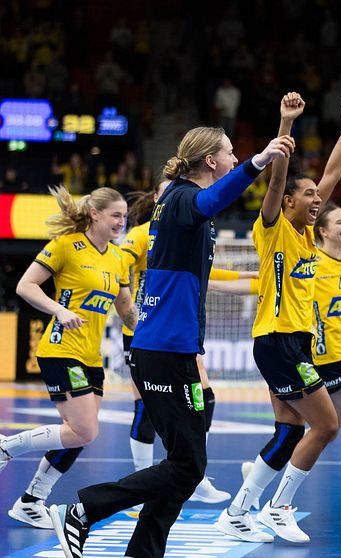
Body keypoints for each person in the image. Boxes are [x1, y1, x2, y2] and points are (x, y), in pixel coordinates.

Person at [45, 123, 294, 558]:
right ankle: (82, 509)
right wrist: (260, 162)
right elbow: (215, 197)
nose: (235, 159)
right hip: (163, 352)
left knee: (185, 467)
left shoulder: (183, 206)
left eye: (240, 155)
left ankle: (142, 552)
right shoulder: (182, 198)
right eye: (230, 153)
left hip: (175, 350)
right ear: (210, 160)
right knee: (188, 466)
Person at [214, 92, 341, 544]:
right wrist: (285, 124)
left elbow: (332, 174)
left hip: (292, 342)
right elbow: (275, 182)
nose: (317, 199)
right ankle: (278, 508)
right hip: (277, 339)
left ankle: (236, 512)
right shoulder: (273, 227)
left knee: (291, 428)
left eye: (318, 195)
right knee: (328, 425)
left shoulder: (309, 234)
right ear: (289, 202)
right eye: (308, 194)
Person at [1, 187, 136, 529]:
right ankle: (7, 448)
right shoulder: (66, 246)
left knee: (80, 434)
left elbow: (127, 310)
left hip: (91, 358)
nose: (122, 221)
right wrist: (59, 310)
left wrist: (155, 331)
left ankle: (31, 501)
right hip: (61, 350)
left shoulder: (119, 259)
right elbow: (25, 286)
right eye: (115, 215)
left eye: (124, 216)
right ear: (95, 214)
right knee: (85, 430)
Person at [121, 181, 255, 504]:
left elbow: (209, 274)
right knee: (146, 410)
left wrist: (252, 279)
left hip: (179, 335)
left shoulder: (192, 228)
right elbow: (117, 264)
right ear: (158, 198)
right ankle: (150, 478)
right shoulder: (143, 233)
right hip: (147, 333)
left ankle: (190, 472)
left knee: (203, 400)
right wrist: (128, 305)